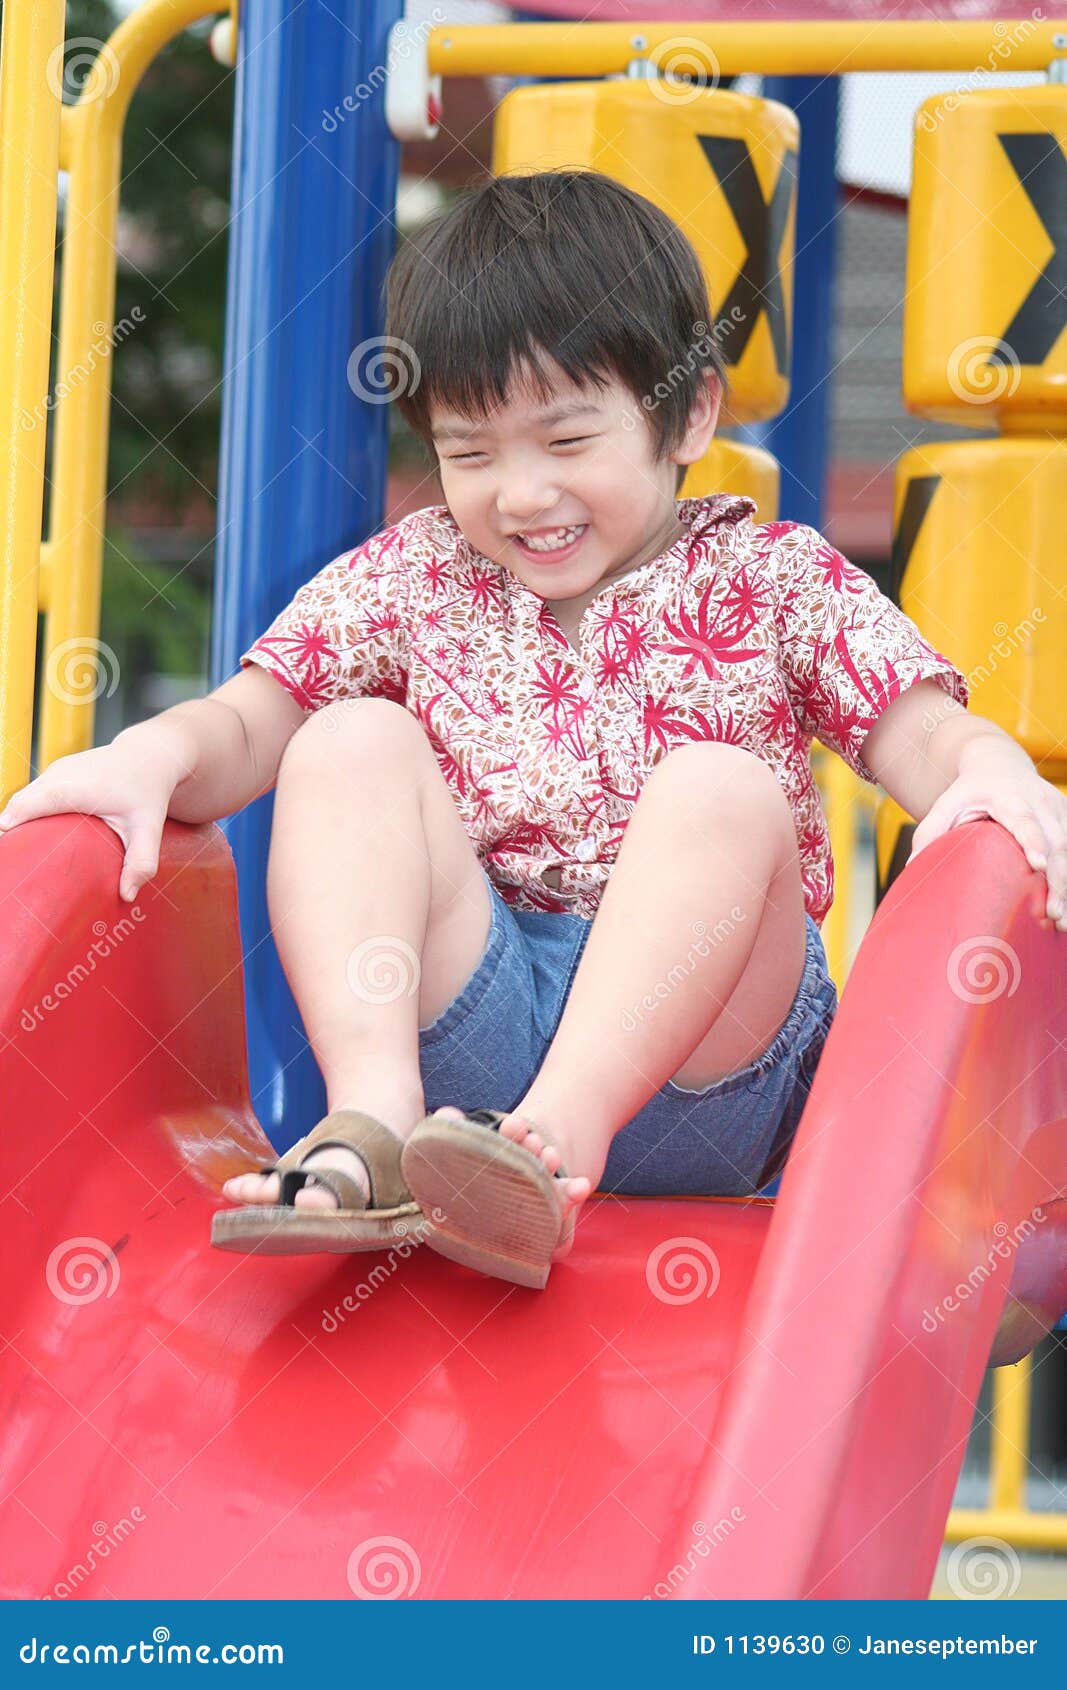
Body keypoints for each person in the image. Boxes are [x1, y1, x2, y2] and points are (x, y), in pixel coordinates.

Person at [3, 171, 1064, 1290]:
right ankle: (371, 1122)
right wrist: (149, 757)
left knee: (721, 787)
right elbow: (250, 722)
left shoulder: (770, 579)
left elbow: (926, 737)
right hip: (476, 1037)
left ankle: (550, 1145)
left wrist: (997, 774)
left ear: (687, 412)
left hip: (702, 1066)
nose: (519, 494)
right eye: (469, 453)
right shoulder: (415, 579)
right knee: (346, 737)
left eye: (565, 441)